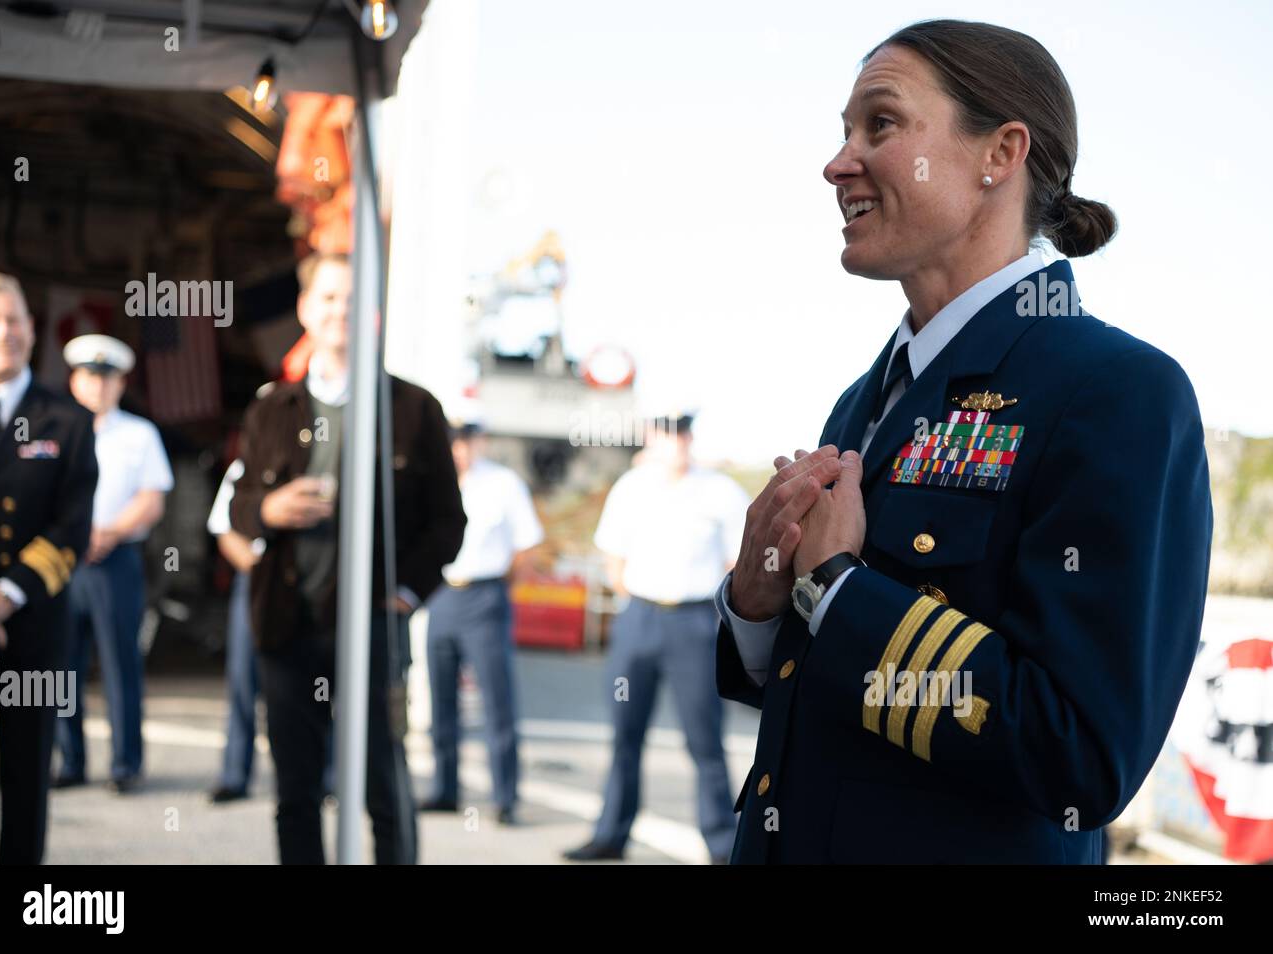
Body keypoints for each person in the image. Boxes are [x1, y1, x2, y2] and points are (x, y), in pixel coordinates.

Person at [716, 19, 1212, 864]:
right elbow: (824, 692)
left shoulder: (1118, 391)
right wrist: (760, 607)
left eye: (880, 124)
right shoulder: (863, 401)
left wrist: (835, 589)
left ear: (999, 153)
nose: (839, 162)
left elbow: (1082, 753)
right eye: (843, 132)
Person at [229, 251, 466, 864]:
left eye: (354, 300)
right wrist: (270, 509)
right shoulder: (270, 408)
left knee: (384, 786)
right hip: (287, 628)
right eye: (329, 298)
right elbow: (236, 505)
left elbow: (448, 524)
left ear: (375, 314)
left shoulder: (416, 409)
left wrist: (406, 592)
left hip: (375, 632)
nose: (341, 312)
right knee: (296, 791)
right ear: (306, 309)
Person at [564, 412, 746, 863]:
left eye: (685, 432)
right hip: (640, 617)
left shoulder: (720, 491)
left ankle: (724, 843)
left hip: (695, 623)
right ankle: (611, 833)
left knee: (704, 739)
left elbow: (739, 560)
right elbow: (613, 558)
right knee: (625, 732)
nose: (680, 441)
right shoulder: (632, 488)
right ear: (651, 438)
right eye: (670, 432)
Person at [0, 272, 97, 863]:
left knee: (26, 788)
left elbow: (71, 529)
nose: (5, 333)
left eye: (15, 319)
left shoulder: (67, 420)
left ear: (32, 325)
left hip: (30, 631)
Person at [54, 334, 173, 794]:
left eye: (107, 378)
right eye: (89, 376)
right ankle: (70, 760)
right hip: (64, 561)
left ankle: (126, 763)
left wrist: (110, 532)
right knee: (61, 666)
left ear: (121, 383)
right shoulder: (55, 428)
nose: (97, 387)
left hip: (115, 559)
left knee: (121, 663)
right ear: (74, 380)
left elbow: (151, 499)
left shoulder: (139, 434)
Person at [421, 417, 543, 825]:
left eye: (466, 441)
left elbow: (527, 547)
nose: (459, 450)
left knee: (496, 700)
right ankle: (445, 788)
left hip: (484, 594)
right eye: (453, 442)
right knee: (441, 698)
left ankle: (505, 796)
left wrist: (498, 583)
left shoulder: (503, 483)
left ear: (479, 442)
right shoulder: (433, 479)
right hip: (441, 592)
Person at [205, 458, 260, 803]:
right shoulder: (244, 467)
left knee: (320, 684)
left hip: (313, 579)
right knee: (242, 678)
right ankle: (235, 773)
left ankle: (329, 777)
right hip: (256, 577)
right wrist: (261, 569)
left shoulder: (325, 455)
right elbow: (224, 528)